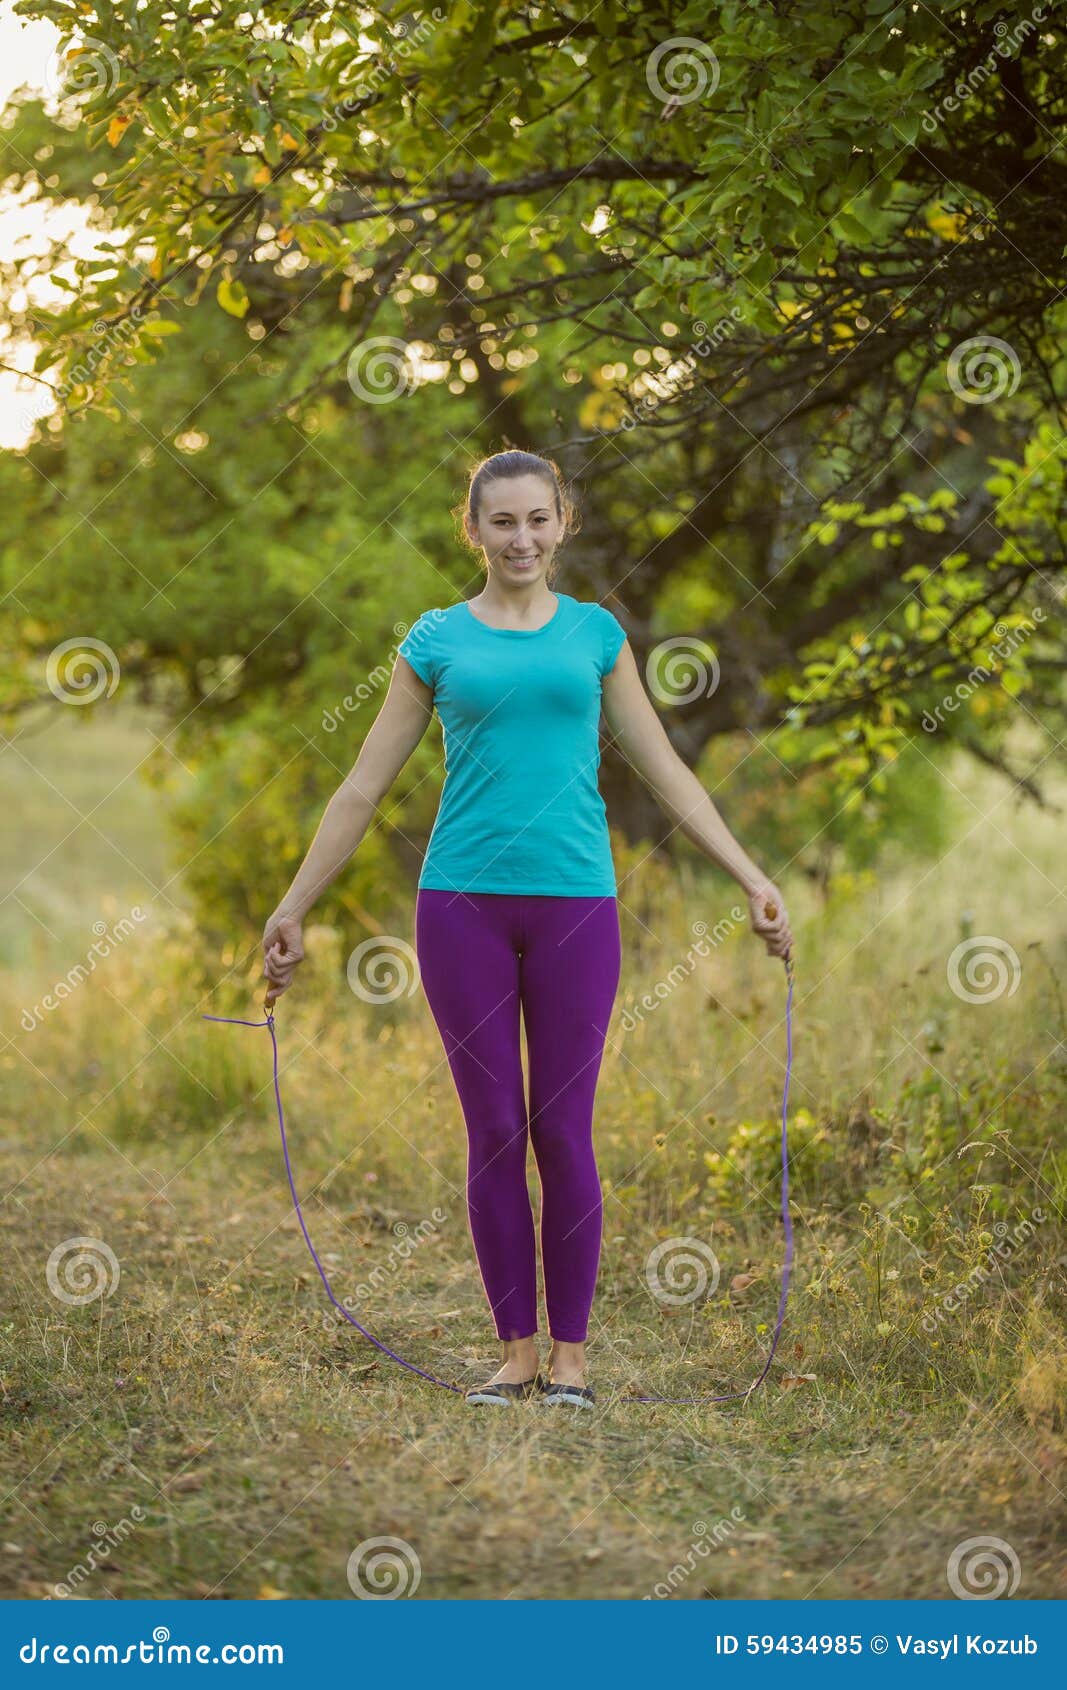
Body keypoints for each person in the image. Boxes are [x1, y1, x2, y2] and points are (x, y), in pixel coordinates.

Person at [261, 449, 793, 1411]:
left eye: (537, 519)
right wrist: (293, 905)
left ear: (562, 522)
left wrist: (750, 876)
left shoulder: (595, 636)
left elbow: (666, 770)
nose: (521, 539)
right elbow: (362, 786)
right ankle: (514, 1357)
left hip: (576, 905)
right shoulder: (434, 640)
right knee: (496, 1130)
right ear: (472, 529)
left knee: (563, 1129)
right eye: (501, 522)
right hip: (460, 905)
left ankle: (572, 1364)